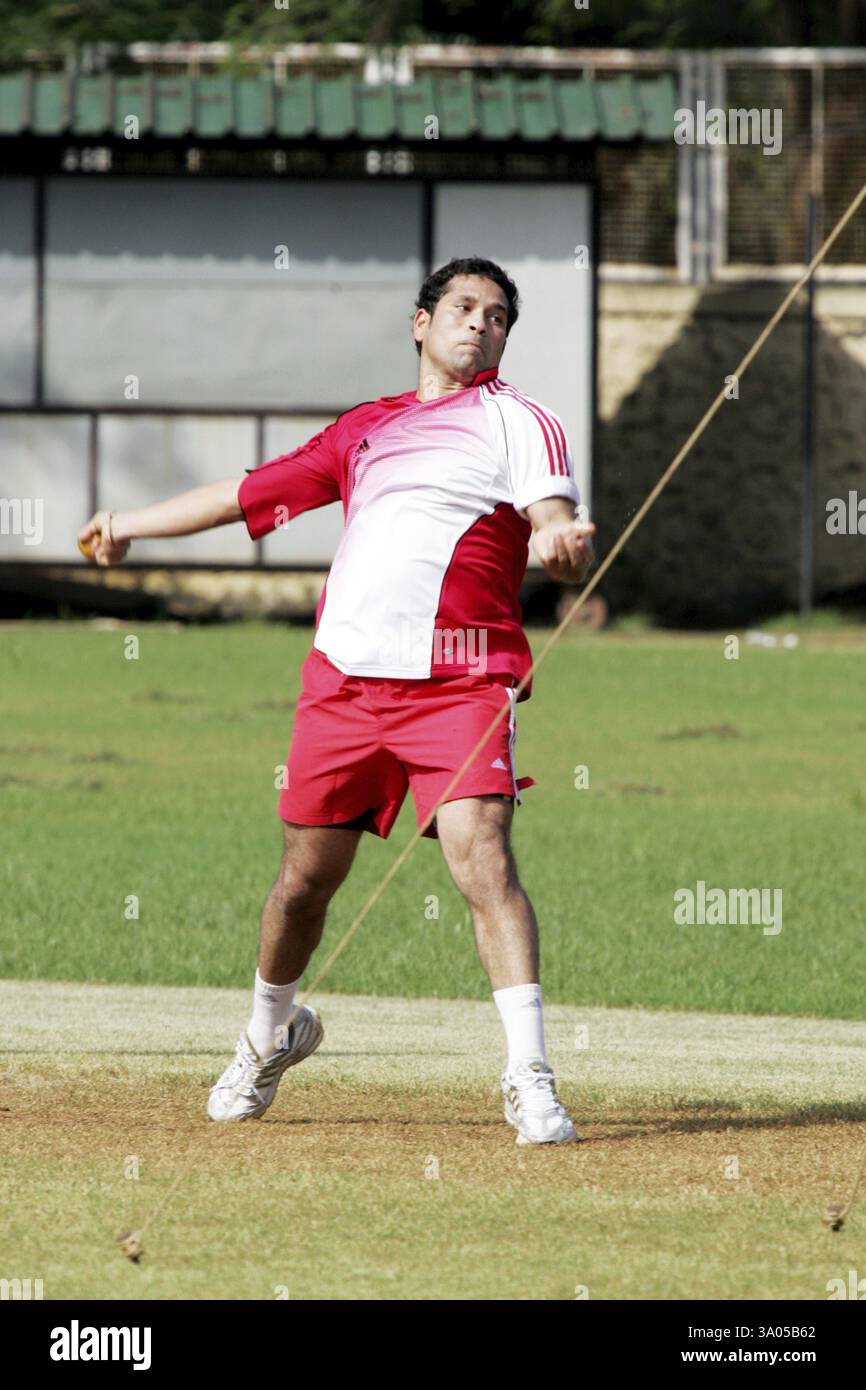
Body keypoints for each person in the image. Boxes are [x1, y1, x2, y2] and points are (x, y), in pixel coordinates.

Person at [78, 256, 595, 1145]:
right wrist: (127, 524)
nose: (482, 324)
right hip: (344, 685)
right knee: (303, 886)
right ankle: (268, 1034)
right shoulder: (365, 430)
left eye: (499, 316)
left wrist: (562, 544)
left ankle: (530, 1075)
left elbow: (553, 517)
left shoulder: (522, 421)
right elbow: (247, 498)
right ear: (421, 322)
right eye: (464, 307)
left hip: (461, 684)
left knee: (485, 860)